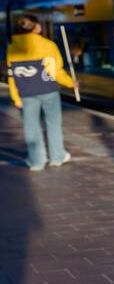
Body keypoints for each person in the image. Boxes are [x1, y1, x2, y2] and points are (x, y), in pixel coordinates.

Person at [6, 13, 78, 171]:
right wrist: (70, 83)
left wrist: (15, 96)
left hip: (26, 92)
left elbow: (12, 75)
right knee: (53, 125)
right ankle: (57, 157)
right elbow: (54, 71)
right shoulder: (47, 45)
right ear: (37, 28)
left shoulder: (12, 47)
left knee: (31, 127)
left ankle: (37, 162)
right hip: (48, 91)